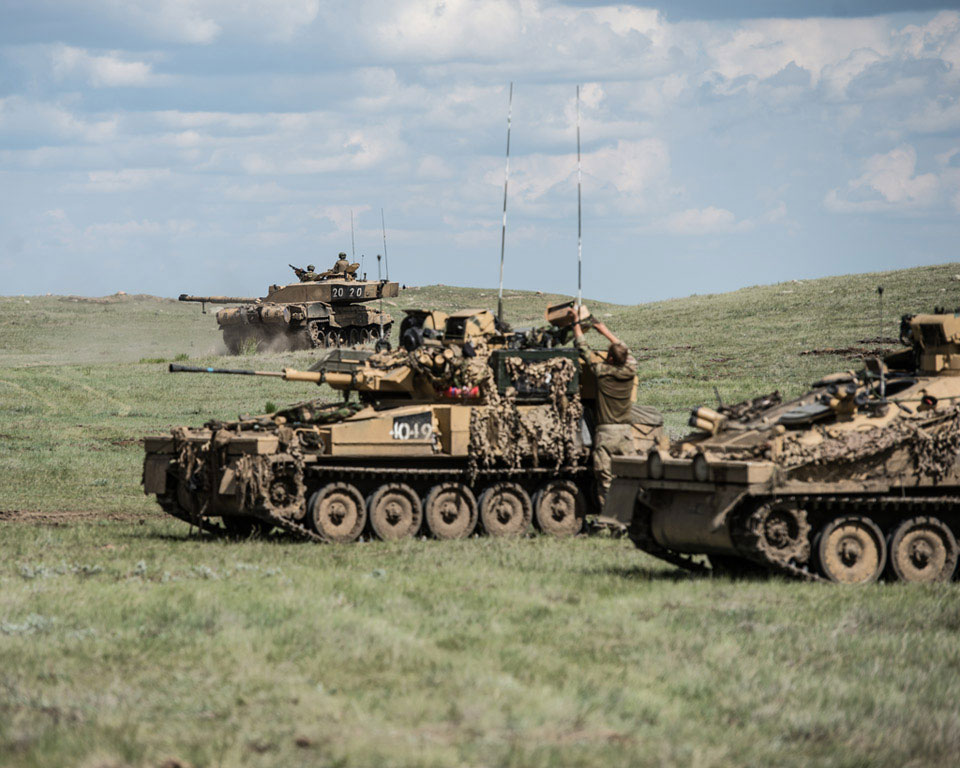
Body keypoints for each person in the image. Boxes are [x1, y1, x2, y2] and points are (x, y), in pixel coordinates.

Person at [568, 307, 639, 509]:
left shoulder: (601, 372)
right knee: (629, 476)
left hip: (606, 433)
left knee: (605, 480)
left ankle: (610, 518)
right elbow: (624, 351)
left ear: (609, 359)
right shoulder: (630, 370)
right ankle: (628, 516)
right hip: (625, 432)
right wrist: (603, 328)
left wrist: (576, 324)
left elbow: (584, 349)